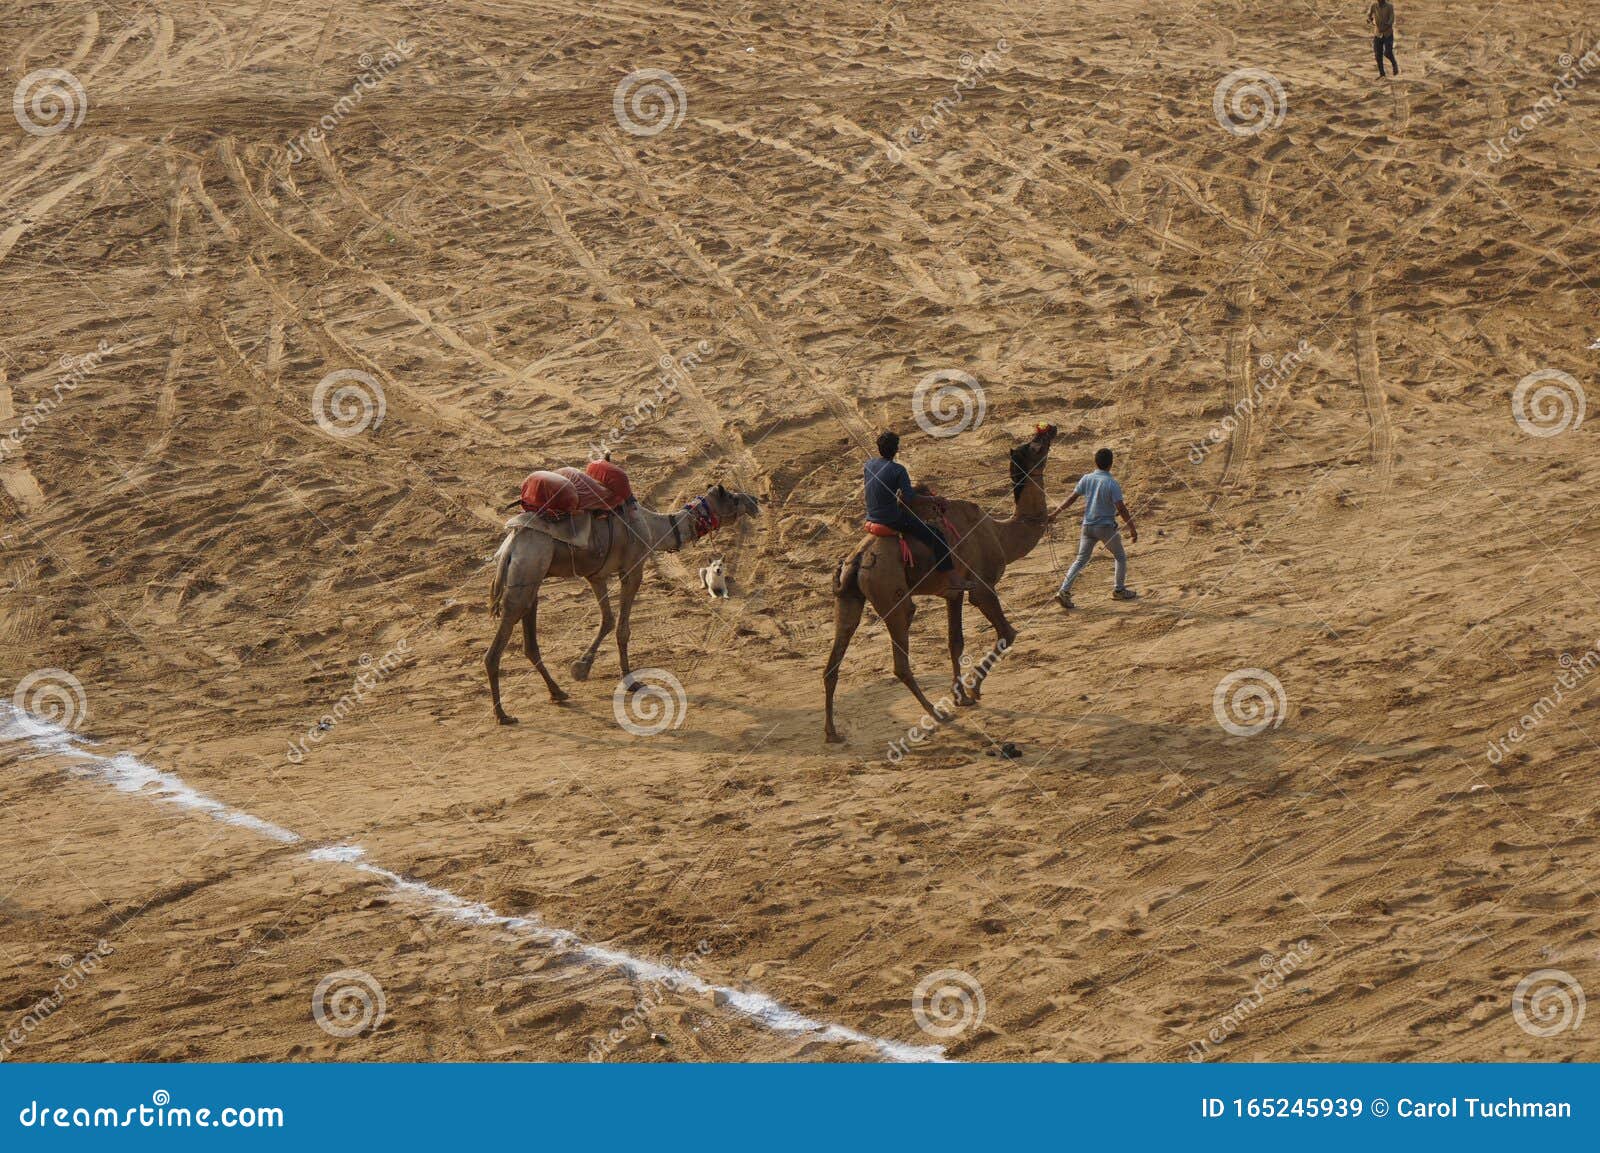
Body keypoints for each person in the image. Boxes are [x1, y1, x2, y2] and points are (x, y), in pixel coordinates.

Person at [863, 430, 970, 590]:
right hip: (891, 519)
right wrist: (935, 499)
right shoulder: (898, 470)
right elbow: (909, 498)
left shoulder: (869, 465)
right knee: (937, 536)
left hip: (871, 516)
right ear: (896, 449)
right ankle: (953, 578)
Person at [1049, 447, 1138, 609]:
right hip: (1105, 528)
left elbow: (1071, 499)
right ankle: (1119, 590)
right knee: (1120, 557)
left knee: (1080, 560)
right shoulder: (1111, 483)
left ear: (1095, 462)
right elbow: (1121, 508)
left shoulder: (1086, 478)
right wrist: (1132, 528)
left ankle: (1064, 590)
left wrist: (1055, 513)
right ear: (1111, 464)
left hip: (1087, 526)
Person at [1367, 0, 1398, 77]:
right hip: (1378, 33)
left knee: (1387, 52)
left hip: (1388, 34)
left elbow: (1391, 19)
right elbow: (1369, 15)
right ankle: (1382, 74)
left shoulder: (1390, 7)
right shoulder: (1374, 6)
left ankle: (1394, 64)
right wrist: (1369, 19)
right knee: (1378, 55)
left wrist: (1385, 27)